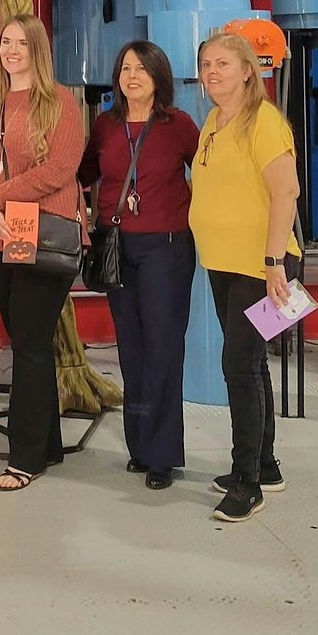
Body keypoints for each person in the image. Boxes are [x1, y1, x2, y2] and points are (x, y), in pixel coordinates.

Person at [0, 14, 86, 492]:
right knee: (28, 342)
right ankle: (47, 443)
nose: (11, 50)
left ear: (38, 49)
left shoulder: (60, 102)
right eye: (5, 42)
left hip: (39, 230)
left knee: (30, 344)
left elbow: (60, 168)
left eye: (21, 43)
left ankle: (25, 457)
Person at [189, 32, 302, 523]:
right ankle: (267, 464)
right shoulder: (214, 121)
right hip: (224, 262)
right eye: (206, 64)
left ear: (246, 70)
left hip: (263, 268)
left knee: (237, 365)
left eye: (223, 63)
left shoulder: (265, 123)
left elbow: (286, 193)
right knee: (252, 364)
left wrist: (275, 263)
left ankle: (246, 482)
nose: (213, 72)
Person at [78, 41, 199, 490]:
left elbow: (209, 170)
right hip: (116, 247)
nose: (131, 76)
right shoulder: (105, 126)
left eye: (141, 69)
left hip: (166, 249)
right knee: (132, 350)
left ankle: (164, 455)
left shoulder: (179, 126)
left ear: (157, 77)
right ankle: (140, 447)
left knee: (164, 349)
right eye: (125, 68)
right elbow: (84, 173)